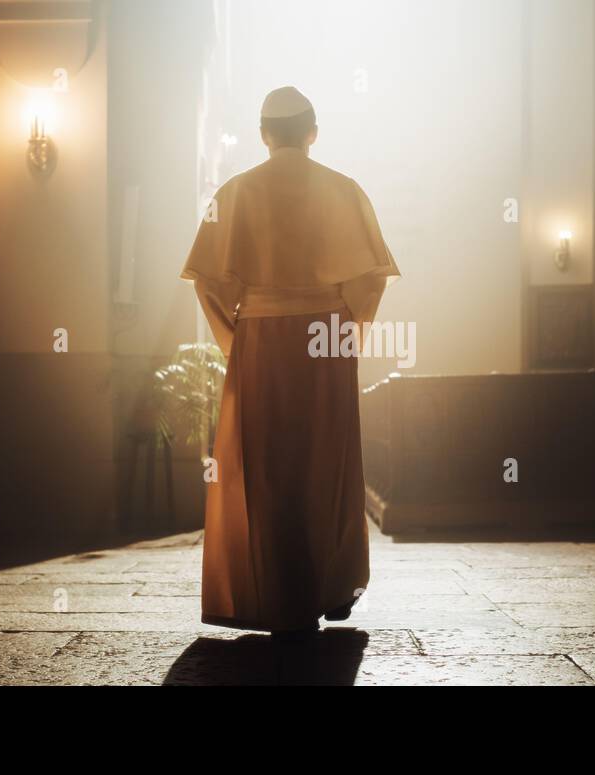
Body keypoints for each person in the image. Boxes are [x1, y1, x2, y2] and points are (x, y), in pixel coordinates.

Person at [180, 86, 399, 635]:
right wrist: (345, 331)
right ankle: (334, 585)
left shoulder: (234, 192)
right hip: (325, 335)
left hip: (260, 340)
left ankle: (275, 593)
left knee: (266, 466)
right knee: (328, 459)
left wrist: (240, 339)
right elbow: (369, 280)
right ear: (313, 131)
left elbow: (207, 284)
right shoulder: (343, 189)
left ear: (262, 134)